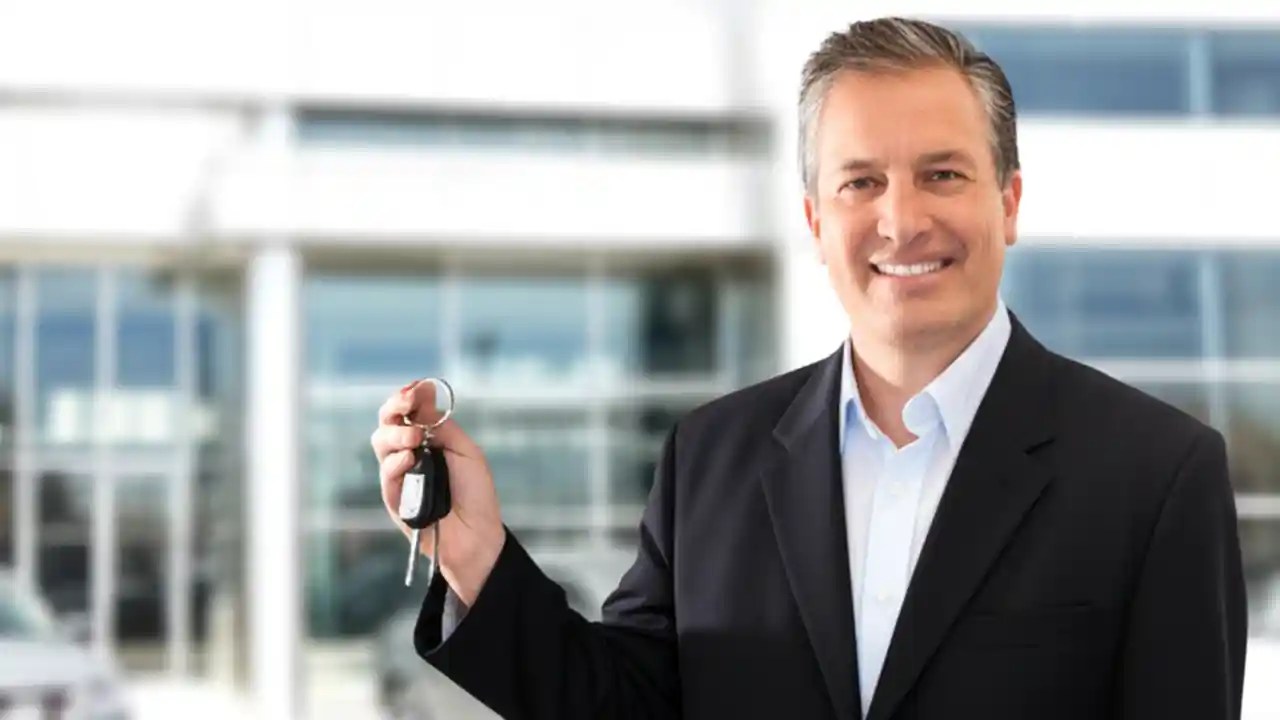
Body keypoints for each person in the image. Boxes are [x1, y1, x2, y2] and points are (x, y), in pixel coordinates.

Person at [369, 16, 1247, 720]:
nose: (901, 222)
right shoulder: (709, 460)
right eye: (860, 182)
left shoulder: (1157, 476)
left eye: (941, 174)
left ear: (1008, 202)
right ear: (815, 220)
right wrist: (476, 556)